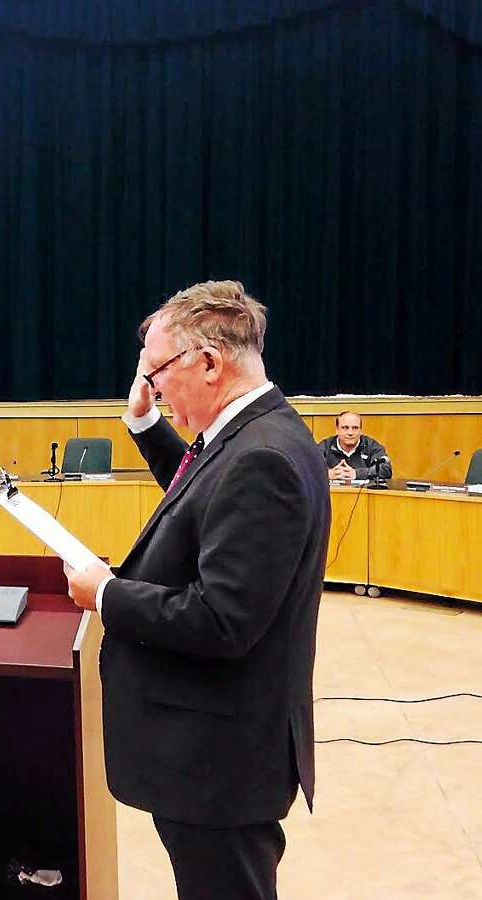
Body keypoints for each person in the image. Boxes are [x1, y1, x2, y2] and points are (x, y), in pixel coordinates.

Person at [63, 281, 330, 900]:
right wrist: (147, 423)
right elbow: (200, 499)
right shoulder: (260, 434)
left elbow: (221, 620)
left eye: (156, 373)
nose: (151, 386)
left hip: (221, 760)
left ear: (209, 363)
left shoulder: (262, 461)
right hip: (222, 750)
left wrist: (106, 594)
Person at [318, 412, 391, 482]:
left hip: (363, 494)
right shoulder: (324, 446)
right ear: (337, 430)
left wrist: (356, 474)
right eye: (345, 428)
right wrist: (327, 474)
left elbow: (385, 469)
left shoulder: (372, 446)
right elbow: (309, 469)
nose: (350, 433)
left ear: (360, 430)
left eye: (355, 428)